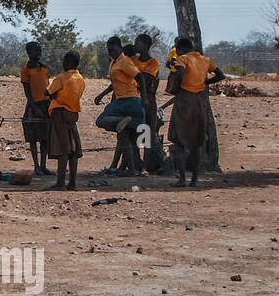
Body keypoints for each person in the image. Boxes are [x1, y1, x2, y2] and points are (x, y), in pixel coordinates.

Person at [166, 37, 225, 187]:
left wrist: (177, 88)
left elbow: (179, 73)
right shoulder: (205, 60)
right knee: (197, 141)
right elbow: (220, 75)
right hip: (199, 101)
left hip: (184, 100)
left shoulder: (183, 59)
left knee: (178, 139)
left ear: (179, 49)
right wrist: (206, 83)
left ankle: (181, 179)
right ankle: (195, 179)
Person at [94, 36, 147, 175]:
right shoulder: (115, 62)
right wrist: (101, 95)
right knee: (124, 137)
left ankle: (120, 121)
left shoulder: (125, 61)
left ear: (119, 47)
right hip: (122, 100)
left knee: (101, 120)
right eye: (108, 50)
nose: (110, 52)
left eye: (113, 49)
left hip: (129, 100)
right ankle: (133, 170)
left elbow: (139, 77)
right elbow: (116, 82)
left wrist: (145, 98)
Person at [45, 50, 86, 191]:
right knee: (73, 149)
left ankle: (60, 182)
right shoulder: (80, 78)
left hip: (60, 114)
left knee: (63, 149)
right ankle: (72, 182)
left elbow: (48, 92)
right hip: (73, 114)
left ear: (67, 62)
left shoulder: (61, 78)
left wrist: (53, 95)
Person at [20, 42, 52, 176]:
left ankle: (43, 165)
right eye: (35, 51)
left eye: (40, 51)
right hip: (33, 106)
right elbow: (27, 92)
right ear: (29, 53)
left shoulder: (44, 68)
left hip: (45, 105)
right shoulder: (26, 70)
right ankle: (37, 166)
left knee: (45, 138)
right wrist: (34, 107)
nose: (38, 53)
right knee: (33, 138)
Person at [134, 33, 164, 172]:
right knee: (134, 131)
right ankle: (135, 163)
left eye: (138, 43)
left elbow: (144, 78)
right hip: (134, 98)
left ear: (146, 46)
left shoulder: (153, 63)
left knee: (146, 132)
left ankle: (145, 165)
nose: (135, 46)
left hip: (148, 101)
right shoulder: (133, 60)